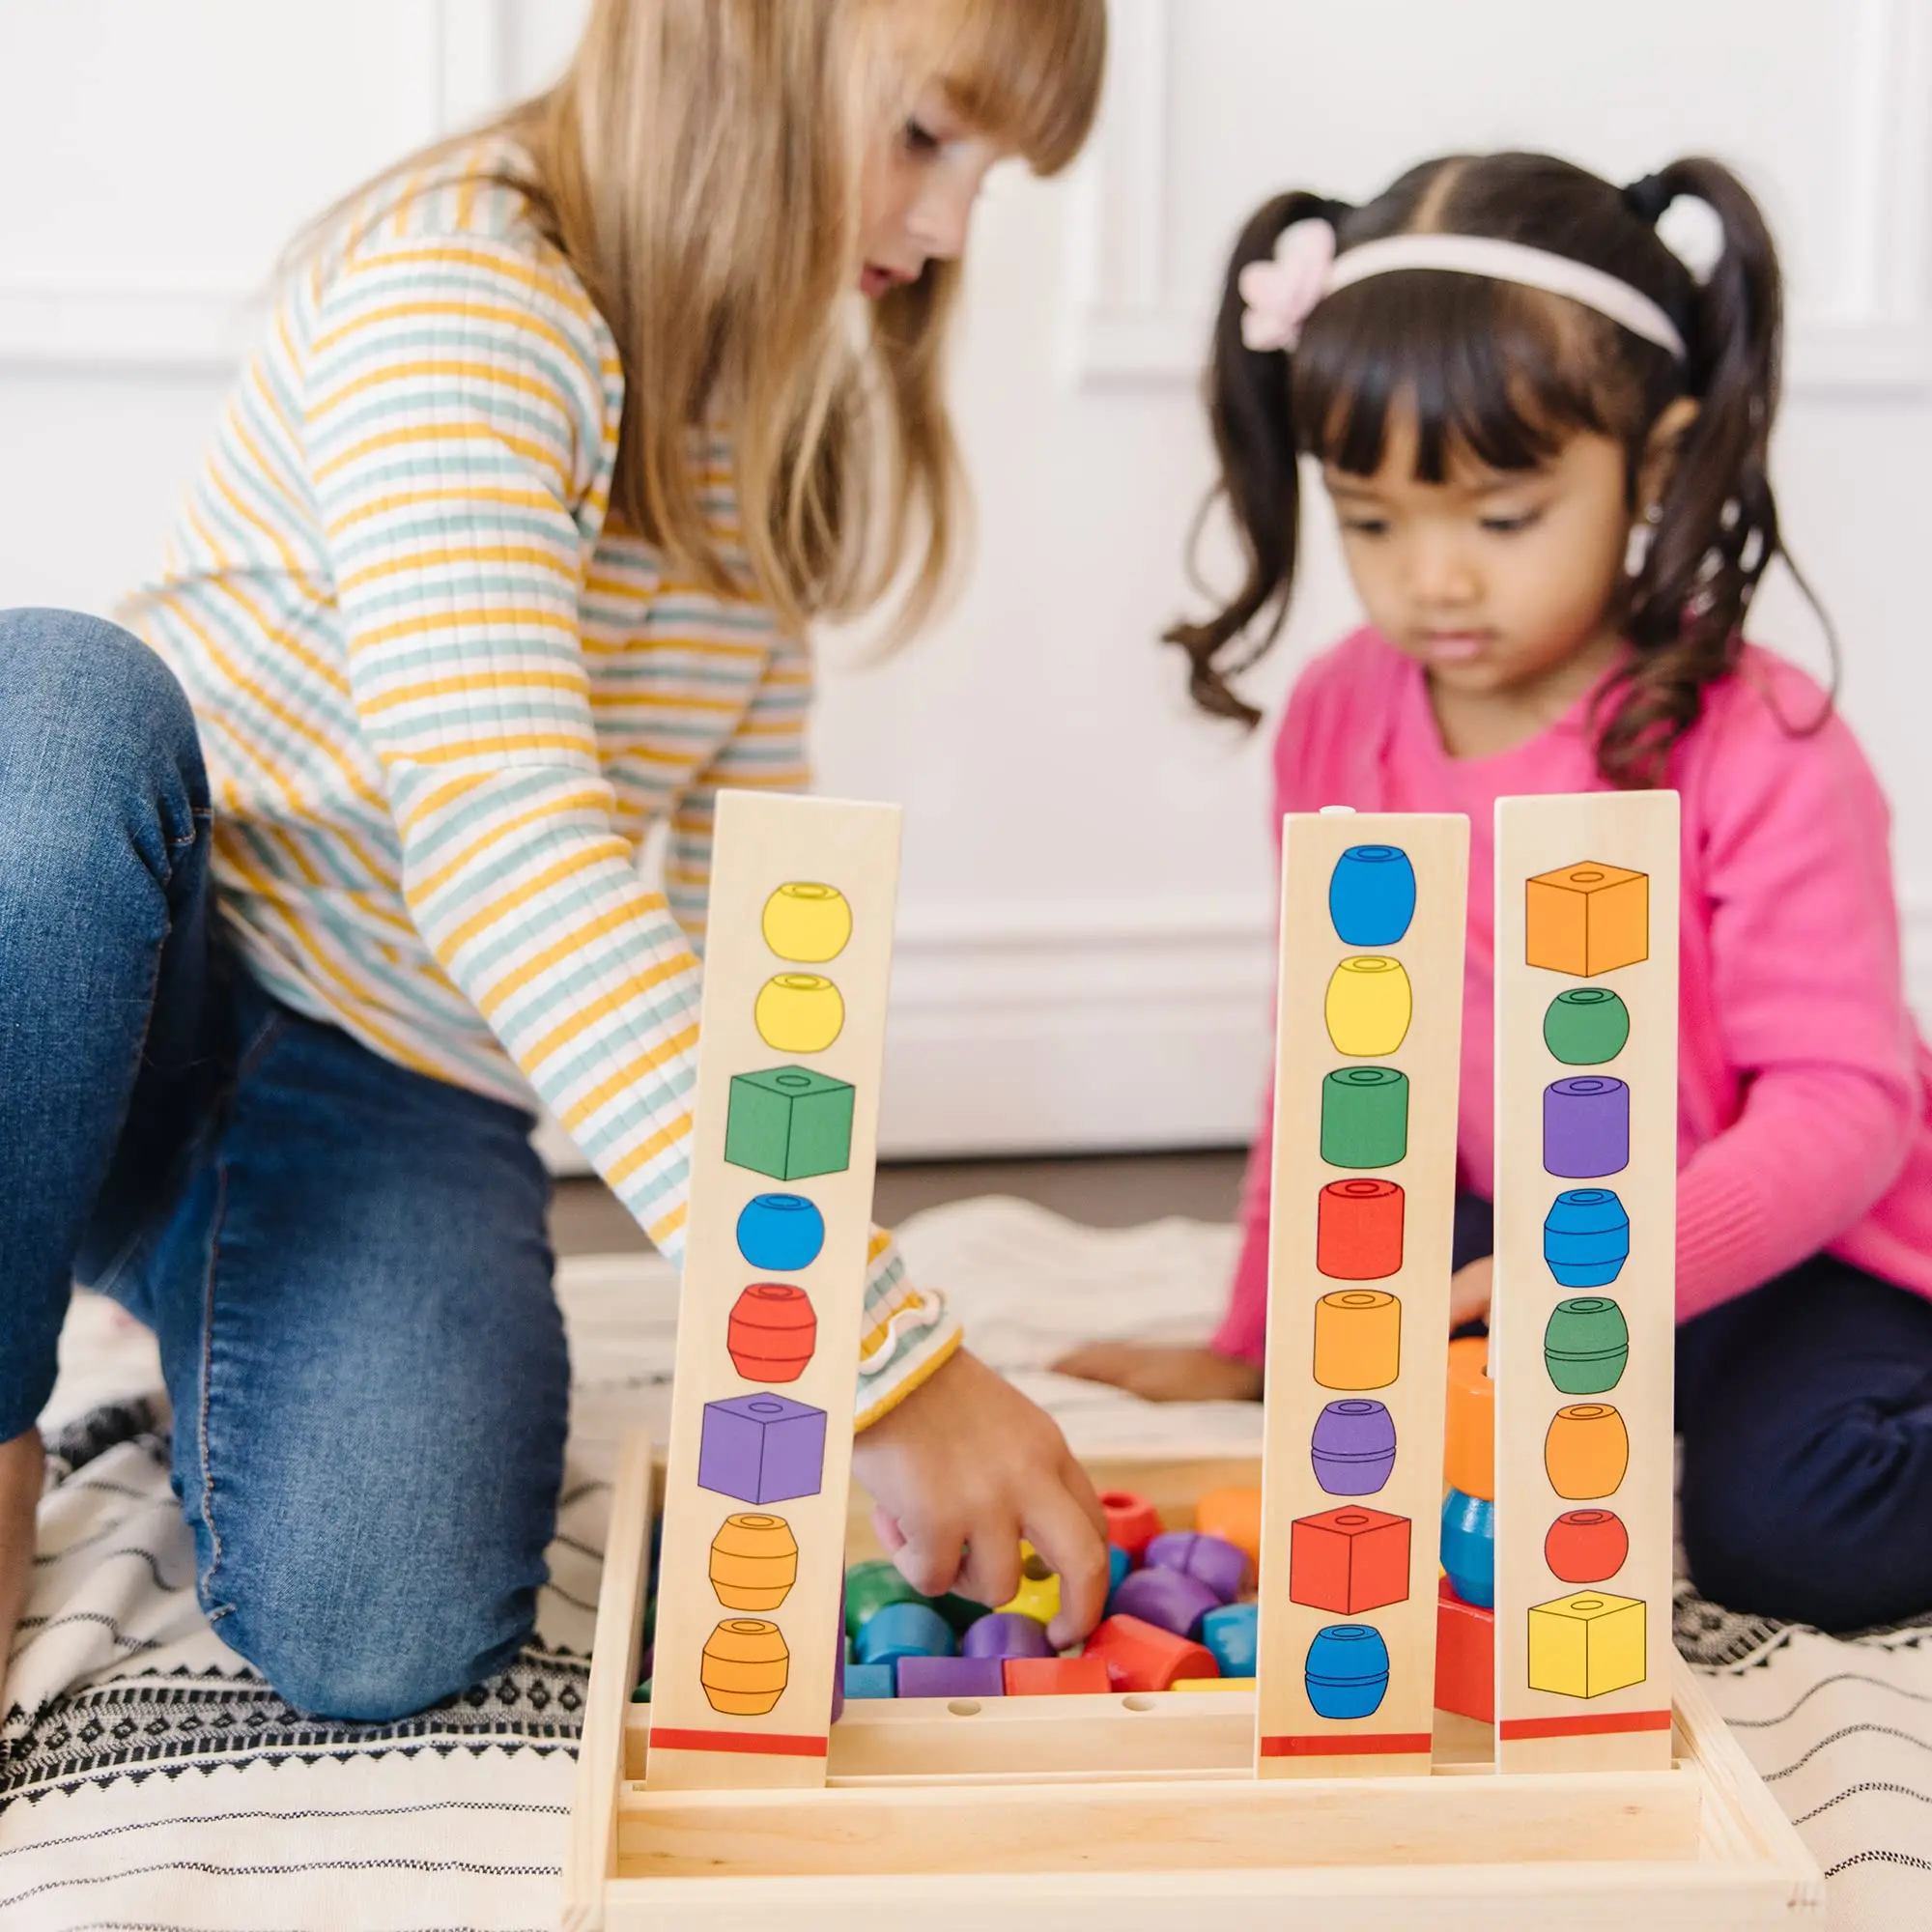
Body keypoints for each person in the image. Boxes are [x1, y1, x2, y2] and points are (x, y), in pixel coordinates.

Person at [0, 0, 1112, 1719]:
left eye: (991, 173)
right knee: (52, 720)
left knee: (388, 1624)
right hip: (153, 964)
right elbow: (510, 841)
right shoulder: (469, 291)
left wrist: (807, 1332)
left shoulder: (766, 436)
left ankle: (168, 1252)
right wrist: (874, 1352)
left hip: (389, 1079)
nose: (954, 224)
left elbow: (745, 939)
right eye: (923, 140)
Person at [1059, 150, 1932, 1633]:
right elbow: (1336, 1049)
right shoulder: (1344, 716)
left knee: (1794, 1532)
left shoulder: (1761, 739)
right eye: (1375, 520)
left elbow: (1848, 1105)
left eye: (1502, 517)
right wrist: (1261, 1334)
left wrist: (1609, 1281)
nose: (1433, 582)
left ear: (1650, 467)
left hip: (1795, 1251)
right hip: (1516, 1227)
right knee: (1353, 1458)